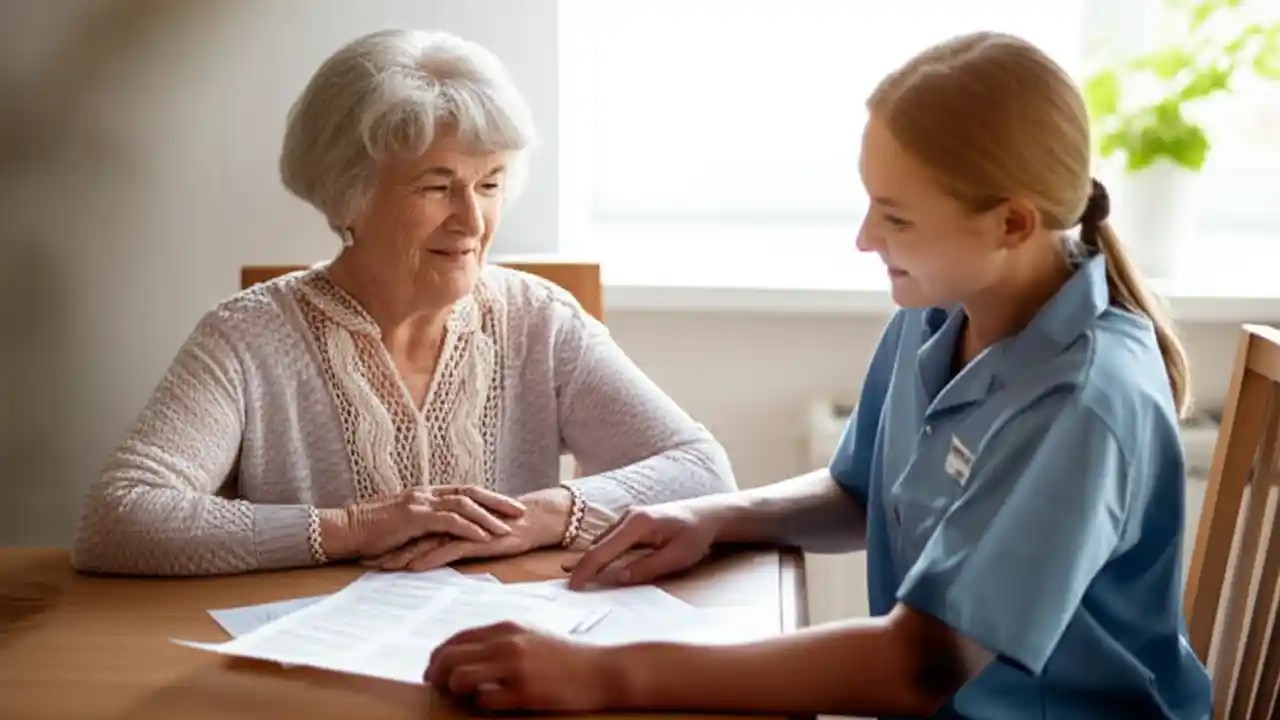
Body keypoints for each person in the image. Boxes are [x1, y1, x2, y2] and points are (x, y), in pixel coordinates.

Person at [425, 32, 1213, 718]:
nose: (866, 238)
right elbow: (863, 491)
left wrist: (599, 674)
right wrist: (715, 518)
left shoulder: (1082, 401)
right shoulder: (940, 307)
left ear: (1011, 223)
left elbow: (921, 665)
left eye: (896, 216)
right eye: (872, 202)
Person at [71, 28, 735, 577]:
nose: (472, 220)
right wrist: (352, 527)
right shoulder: (248, 337)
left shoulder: (540, 320)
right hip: (311, 673)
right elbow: (119, 519)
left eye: (491, 183)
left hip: (509, 662)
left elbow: (703, 472)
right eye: (437, 187)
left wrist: (537, 516)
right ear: (349, 193)